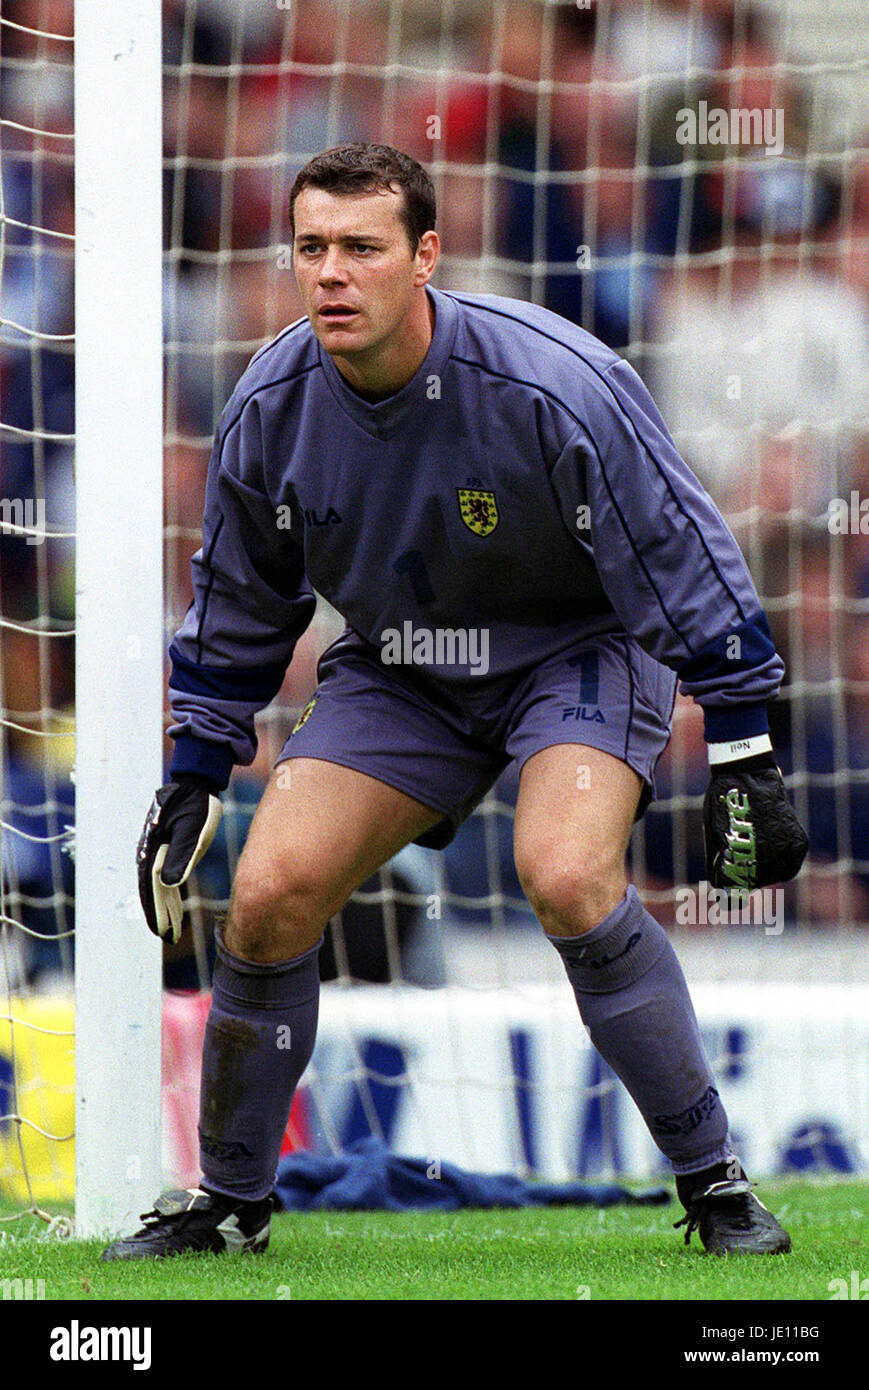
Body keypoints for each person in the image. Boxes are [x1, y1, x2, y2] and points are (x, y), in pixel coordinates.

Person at [103, 143, 807, 1262]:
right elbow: (239, 602)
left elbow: (678, 545)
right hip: (401, 674)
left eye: (361, 249)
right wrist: (194, 766)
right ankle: (227, 1203)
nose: (330, 274)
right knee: (270, 888)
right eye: (311, 248)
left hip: (574, 652)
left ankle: (714, 1186)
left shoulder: (554, 380)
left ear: (423, 257)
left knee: (567, 874)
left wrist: (742, 739)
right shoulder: (268, 408)